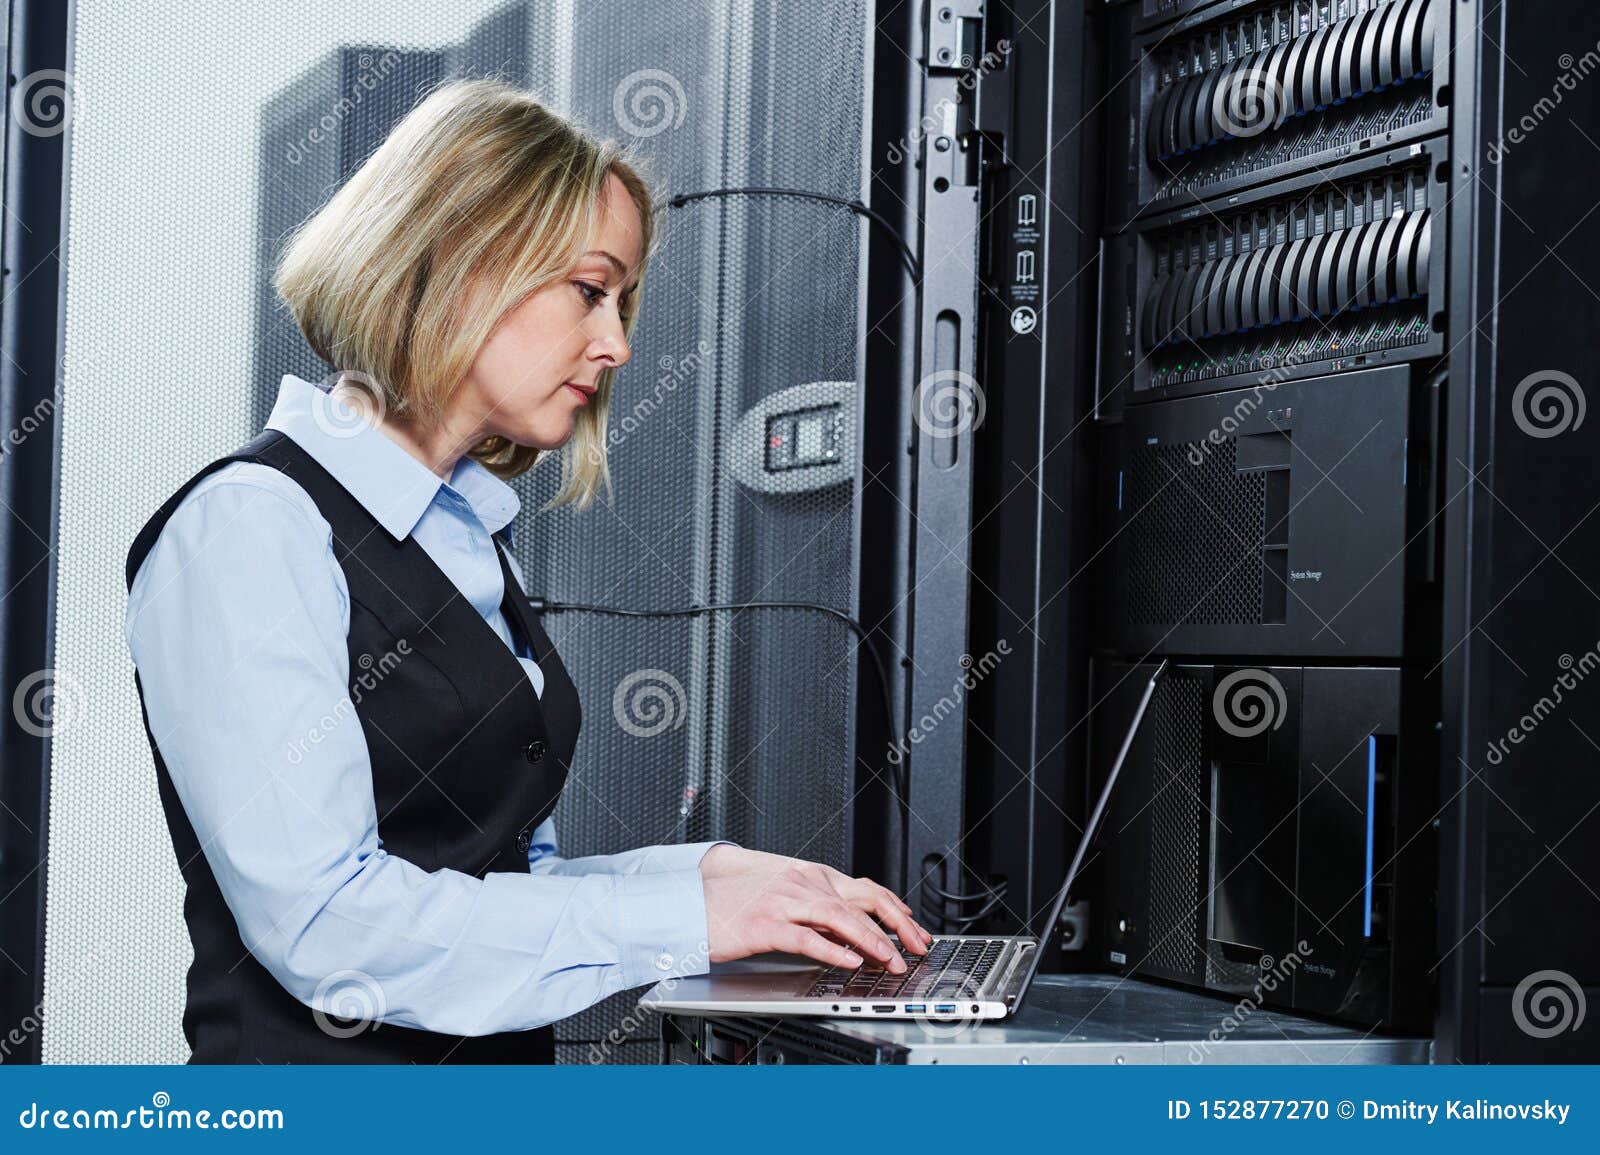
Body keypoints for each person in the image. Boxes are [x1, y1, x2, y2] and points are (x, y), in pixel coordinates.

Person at [123, 78, 929, 1065]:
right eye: (591, 291)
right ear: (461, 264)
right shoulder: (249, 530)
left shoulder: (461, 534)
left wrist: (706, 884)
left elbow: (491, 890)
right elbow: (328, 927)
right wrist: (677, 924)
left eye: (623, 301)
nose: (619, 344)